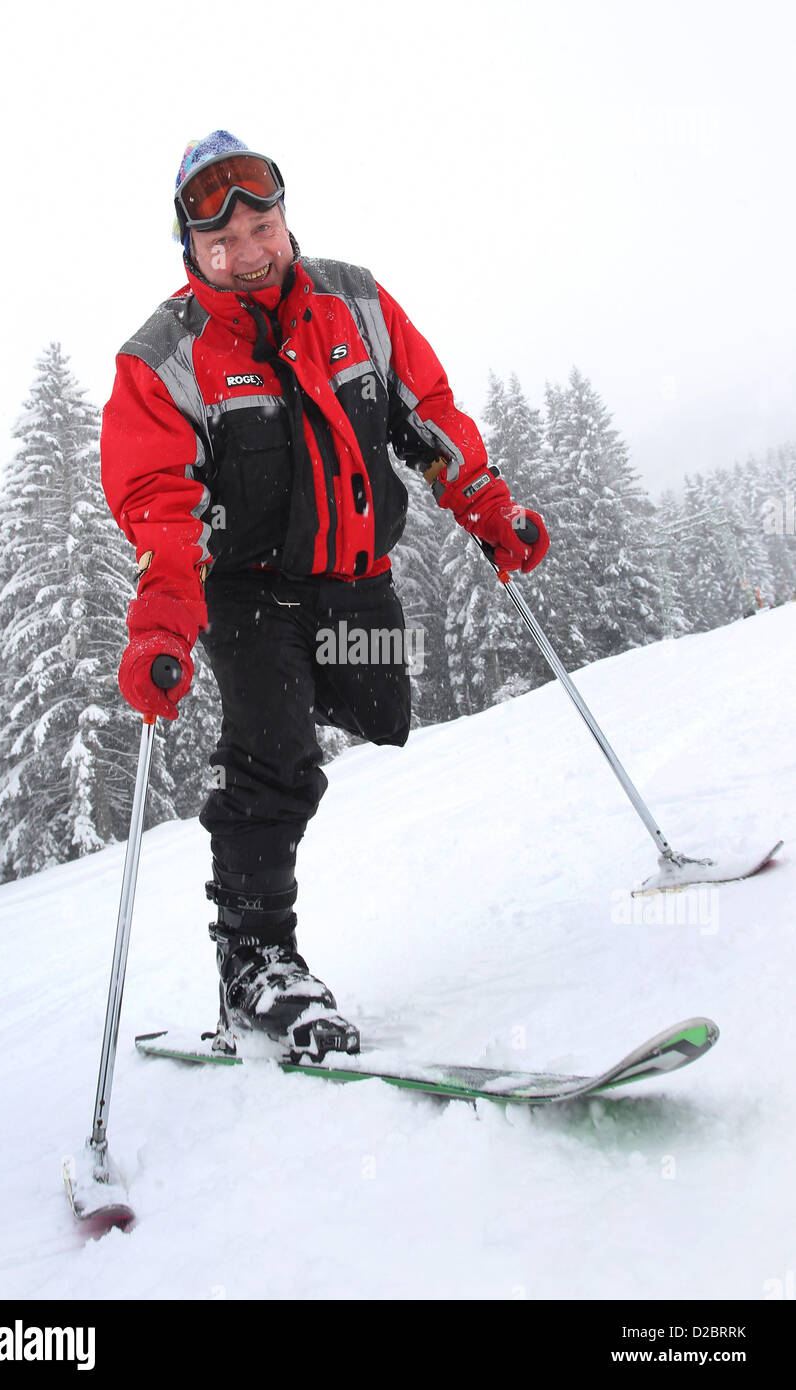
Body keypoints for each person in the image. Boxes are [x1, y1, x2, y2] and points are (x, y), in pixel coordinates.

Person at [101, 130, 549, 1063]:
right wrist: (162, 628)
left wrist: (488, 507)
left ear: (284, 217)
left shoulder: (356, 302)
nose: (247, 252)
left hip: (354, 581)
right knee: (274, 756)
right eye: (221, 243)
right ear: (191, 250)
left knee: (380, 709)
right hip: (250, 594)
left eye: (260, 226)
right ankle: (256, 963)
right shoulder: (164, 358)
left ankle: (283, 754)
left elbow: (427, 414)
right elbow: (162, 512)